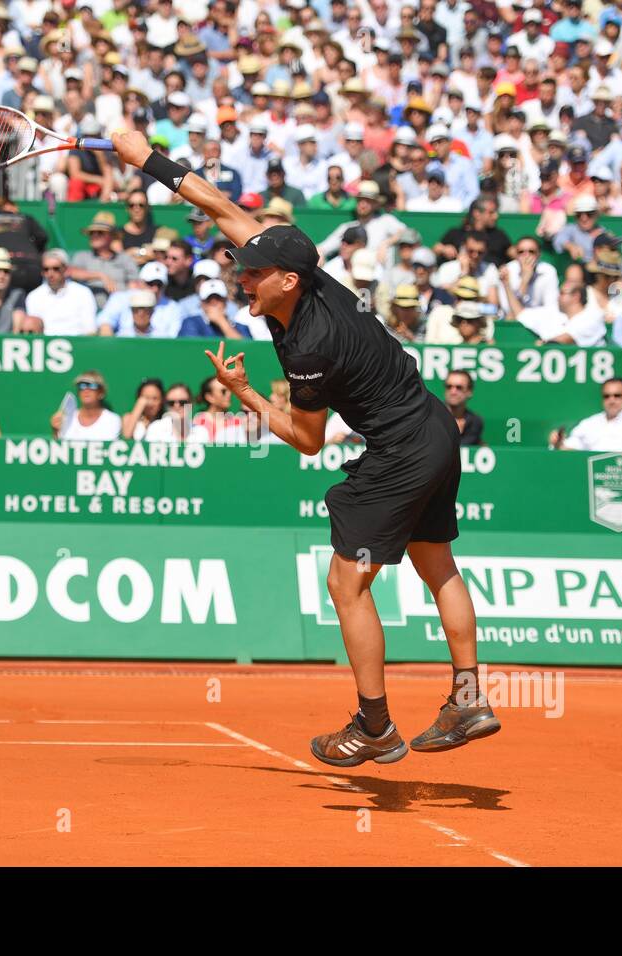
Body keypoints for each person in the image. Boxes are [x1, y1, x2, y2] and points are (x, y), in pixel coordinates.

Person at [108, 127, 500, 766]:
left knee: (346, 585)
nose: (241, 279)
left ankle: (374, 726)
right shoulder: (307, 278)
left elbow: (308, 442)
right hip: (436, 431)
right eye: (242, 266)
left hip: (399, 451)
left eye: (253, 274)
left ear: (287, 281)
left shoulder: (310, 345)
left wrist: (245, 394)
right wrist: (147, 159)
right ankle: (468, 698)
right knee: (438, 566)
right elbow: (221, 208)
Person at [24, 250, 98, 335]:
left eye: (56, 269)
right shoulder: (34, 296)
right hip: (46, 344)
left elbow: (90, 329)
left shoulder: (83, 293)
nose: (50, 273)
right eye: (46, 269)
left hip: (78, 344)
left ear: (66, 269)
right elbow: (33, 329)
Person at [50, 369, 122, 441]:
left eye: (92, 385)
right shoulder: (66, 418)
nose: (86, 390)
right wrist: (55, 432)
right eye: (82, 386)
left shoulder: (112, 420)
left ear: (101, 392)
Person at [443, 370, 484, 446]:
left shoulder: (475, 422)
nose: (453, 392)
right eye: (449, 387)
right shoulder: (431, 416)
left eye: (459, 388)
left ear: (469, 391)